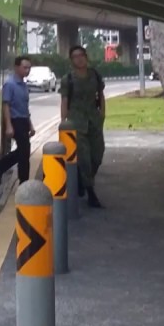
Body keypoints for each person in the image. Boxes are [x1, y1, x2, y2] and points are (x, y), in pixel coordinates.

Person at [60, 45, 106, 208]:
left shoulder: (95, 75)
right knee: (84, 158)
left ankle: (83, 180)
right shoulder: (68, 79)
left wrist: (102, 115)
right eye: (75, 56)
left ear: (86, 57)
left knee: (97, 154)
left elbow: (100, 95)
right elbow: (65, 101)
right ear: (72, 60)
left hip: (93, 121)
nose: (79, 59)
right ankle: (91, 192)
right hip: (76, 123)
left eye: (81, 55)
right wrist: (64, 123)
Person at [0, 55, 35, 183]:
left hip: (23, 121)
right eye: (24, 67)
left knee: (23, 151)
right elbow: (6, 105)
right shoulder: (10, 84)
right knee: (24, 151)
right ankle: (23, 180)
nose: (27, 70)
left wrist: (31, 125)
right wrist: (8, 125)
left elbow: (25, 108)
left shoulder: (23, 85)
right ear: (16, 67)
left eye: (29, 68)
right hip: (15, 120)